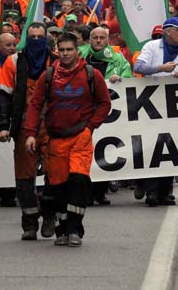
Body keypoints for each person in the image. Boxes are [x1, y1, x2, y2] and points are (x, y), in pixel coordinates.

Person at [23, 33, 112, 247]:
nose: (65, 54)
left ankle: (75, 230)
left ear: (77, 51)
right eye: (61, 50)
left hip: (81, 138)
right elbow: (35, 105)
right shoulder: (48, 76)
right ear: (57, 51)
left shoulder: (91, 74)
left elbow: (104, 104)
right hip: (56, 140)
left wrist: (89, 128)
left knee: (79, 183)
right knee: (58, 188)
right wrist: (30, 133)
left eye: (69, 50)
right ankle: (62, 230)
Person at [0, 23, 54, 240]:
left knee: (54, 173)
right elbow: (3, 95)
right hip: (23, 125)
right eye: (32, 37)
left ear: (46, 38)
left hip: (51, 126)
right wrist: (3, 125)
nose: (36, 40)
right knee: (24, 176)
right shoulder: (13, 62)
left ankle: (49, 215)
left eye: (40, 37)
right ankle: (30, 223)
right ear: (25, 39)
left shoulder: (56, 61)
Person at [133, 18, 178, 206]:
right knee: (154, 147)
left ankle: (166, 191)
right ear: (168, 32)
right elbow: (138, 67)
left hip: (175, 108)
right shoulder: (151, 47)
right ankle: (151, 191)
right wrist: (161, 68)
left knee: (171, 147)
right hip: (152, 106)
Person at [79, 26, 133, 206]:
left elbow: (128, 77)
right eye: (95, 37)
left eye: (102, 38)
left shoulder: (118, 59)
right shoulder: (80, 55)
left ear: (108, 40)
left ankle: (100, 192)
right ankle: (86, 192)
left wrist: (120, 79)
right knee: (86, 151)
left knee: (105, 151)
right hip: (85, 112)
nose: (98, 41)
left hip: (108, 113)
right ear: (90, 40)